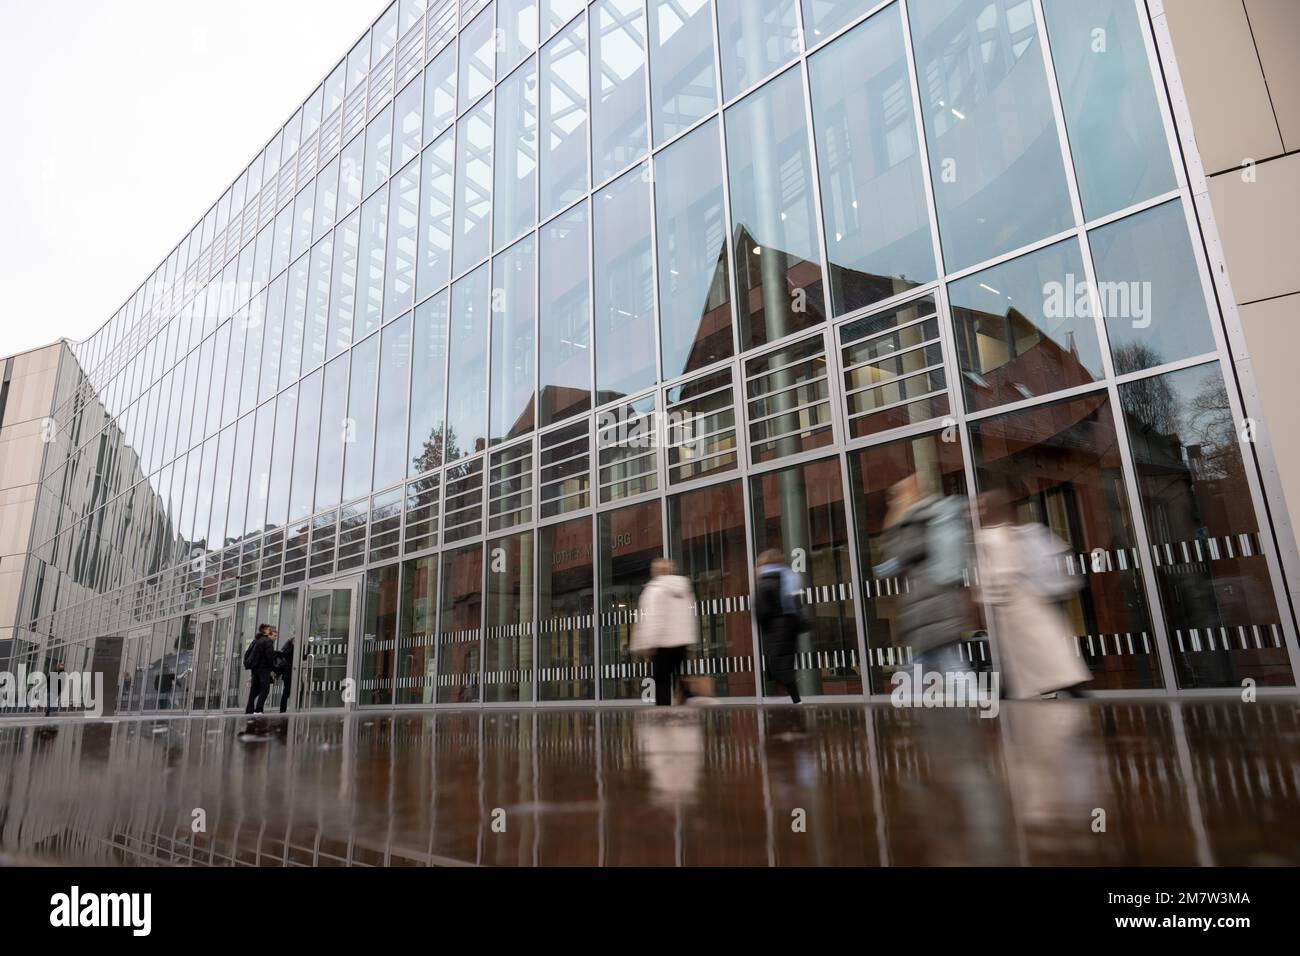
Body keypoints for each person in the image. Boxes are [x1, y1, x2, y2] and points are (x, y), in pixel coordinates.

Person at [976, 490, 1091, 699]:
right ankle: (1068, 691)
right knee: (1041, 658)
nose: (977, 512)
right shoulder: (1012, 533)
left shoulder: (994, 537)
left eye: (981, 507)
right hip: (1028, 606)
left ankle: (1068, 692)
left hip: (1019, 610)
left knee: (1037, 658)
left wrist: (989, 597)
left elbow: (1002, 574)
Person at [881, 475, 973, 678]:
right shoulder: (930, 517)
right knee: (947, 668)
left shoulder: (911, 524)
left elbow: (888, 568)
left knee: (939, 671)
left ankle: (982, 706)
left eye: (896, 494)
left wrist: (892, 525)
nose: (893, 500)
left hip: (927, 613)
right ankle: (976, 705)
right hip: (940, 609)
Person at [629, 558, 699, 706]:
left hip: (662, 643)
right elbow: (690, 616)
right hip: (682, 643)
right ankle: (685, 693)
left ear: (655, 572)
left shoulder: (654, 590)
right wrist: (691, 643)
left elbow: (653, 618)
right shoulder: (684, 588)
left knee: (662, 680)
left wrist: (647, 644)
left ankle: (664, 713)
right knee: (676, 674)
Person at [754, 549, 803, 704]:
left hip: (774, 628)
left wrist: (763, 623)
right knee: (784, 664)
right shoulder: (788, 576)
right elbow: (795, 603)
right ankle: (793, 698)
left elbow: (762, 610)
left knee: (779, 666)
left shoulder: (765, 580)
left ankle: (793, 700)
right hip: (789, 627)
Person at [243, 624, 277, 715]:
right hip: (264, 669)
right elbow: (269, 657)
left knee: (254, 690)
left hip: (255, 669)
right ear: (264, 631)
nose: (270, 630)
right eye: (268, 629)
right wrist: (272, 669)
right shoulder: (267, 641)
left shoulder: (256, 640)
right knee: (265, 689)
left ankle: (249, 710)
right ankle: (258, 709)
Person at [272, 628, 294, 714]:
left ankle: (290, 708)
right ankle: (282, 710)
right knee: (287, 691)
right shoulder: (289, 645)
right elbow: (284, 654)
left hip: (290, 671)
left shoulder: (292, 644)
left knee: (292, 690)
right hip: (288, 672)